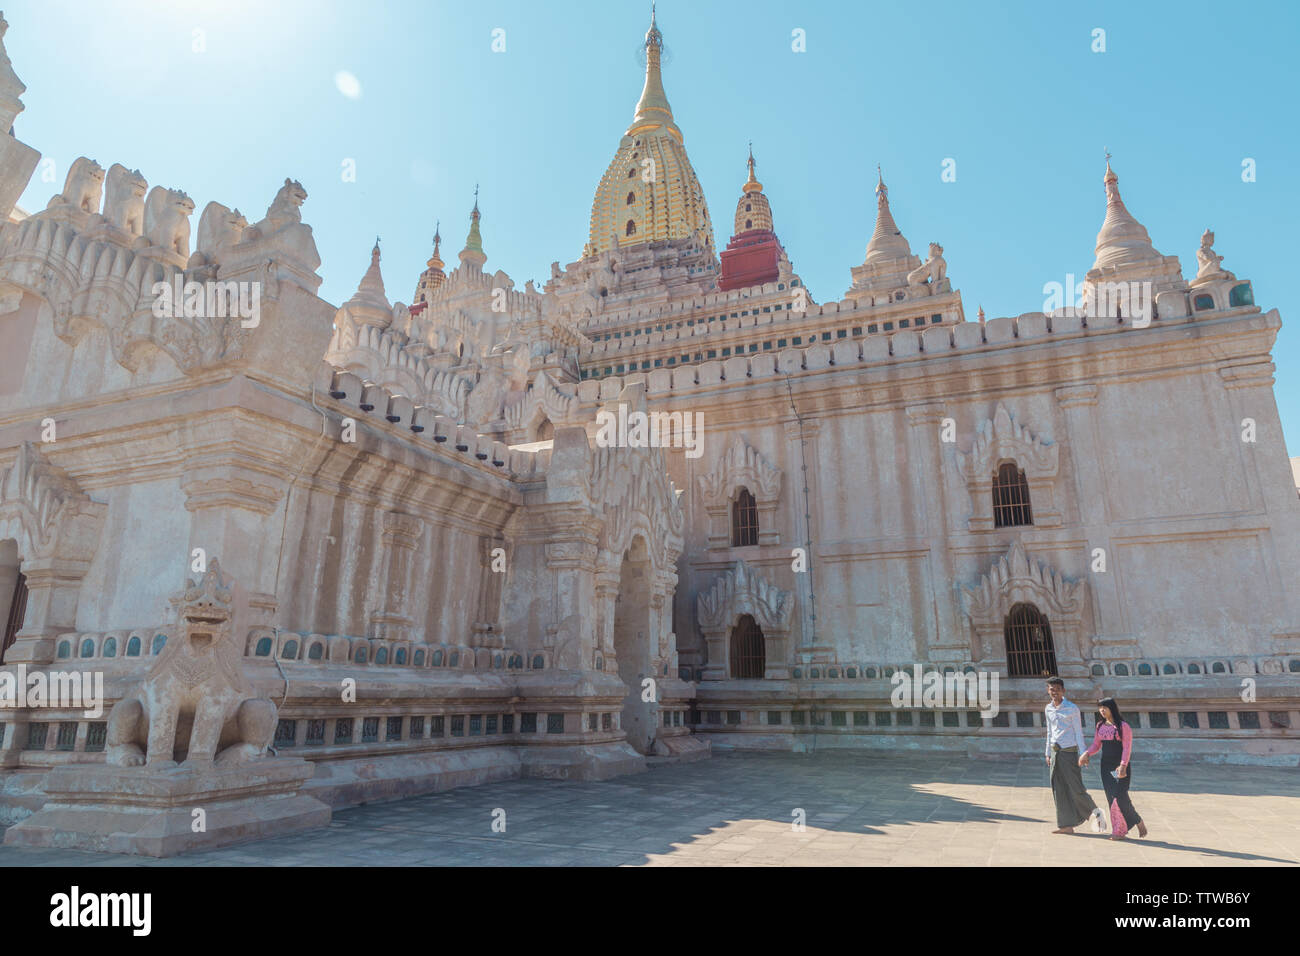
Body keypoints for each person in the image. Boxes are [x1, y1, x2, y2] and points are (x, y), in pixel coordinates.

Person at [1079, 697, 1148, 840]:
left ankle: (1137, 821)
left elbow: (1127, 748)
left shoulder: (1123, 726)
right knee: (1111, 799)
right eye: (1100, 707)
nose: (1102, 710)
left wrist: (1123, 766)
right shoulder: (1100, 726)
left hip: (1120, 767)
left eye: (1105, 707)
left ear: (1112, 708)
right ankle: (1119, 830)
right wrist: (1086, 753)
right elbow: (1096, 745)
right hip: (1106, 767)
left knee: (1120, 797)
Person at [1044, 677, 1104, 834]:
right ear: (1048, 691)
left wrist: (1083, 753)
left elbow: (1078, 732)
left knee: (1076, 788)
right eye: (1051, 689)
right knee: (1058, 789)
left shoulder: (1072, 708)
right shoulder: (1048, 709)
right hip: (1054, 752)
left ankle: (1096, 813)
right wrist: (1047, 753)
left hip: (1069, 753)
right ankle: (1066, 825)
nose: (1054, 692)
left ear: (1063, 691)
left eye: (1057, 689)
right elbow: (1050, 732)